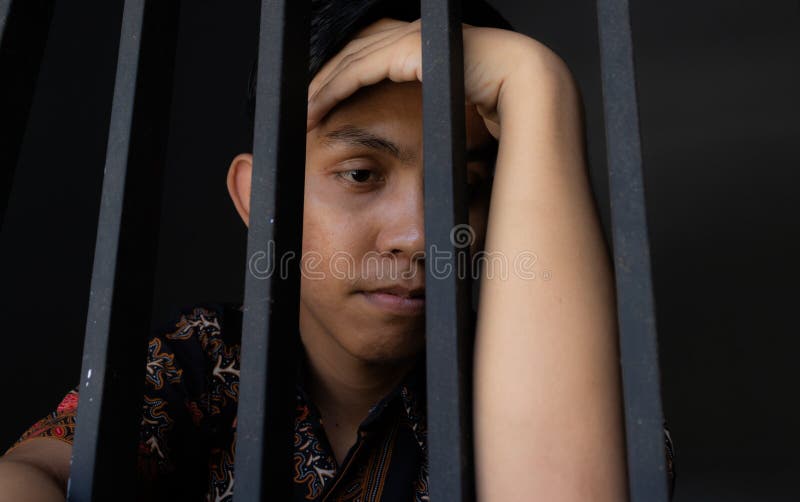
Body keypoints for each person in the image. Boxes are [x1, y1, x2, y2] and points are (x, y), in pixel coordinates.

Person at [0, 0, 674, 500]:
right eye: (361, 174)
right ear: (260, 198)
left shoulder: (544, 385)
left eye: (466, 185)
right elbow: (33, 472)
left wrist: (538, 86)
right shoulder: (204, 359)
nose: (418, 235)